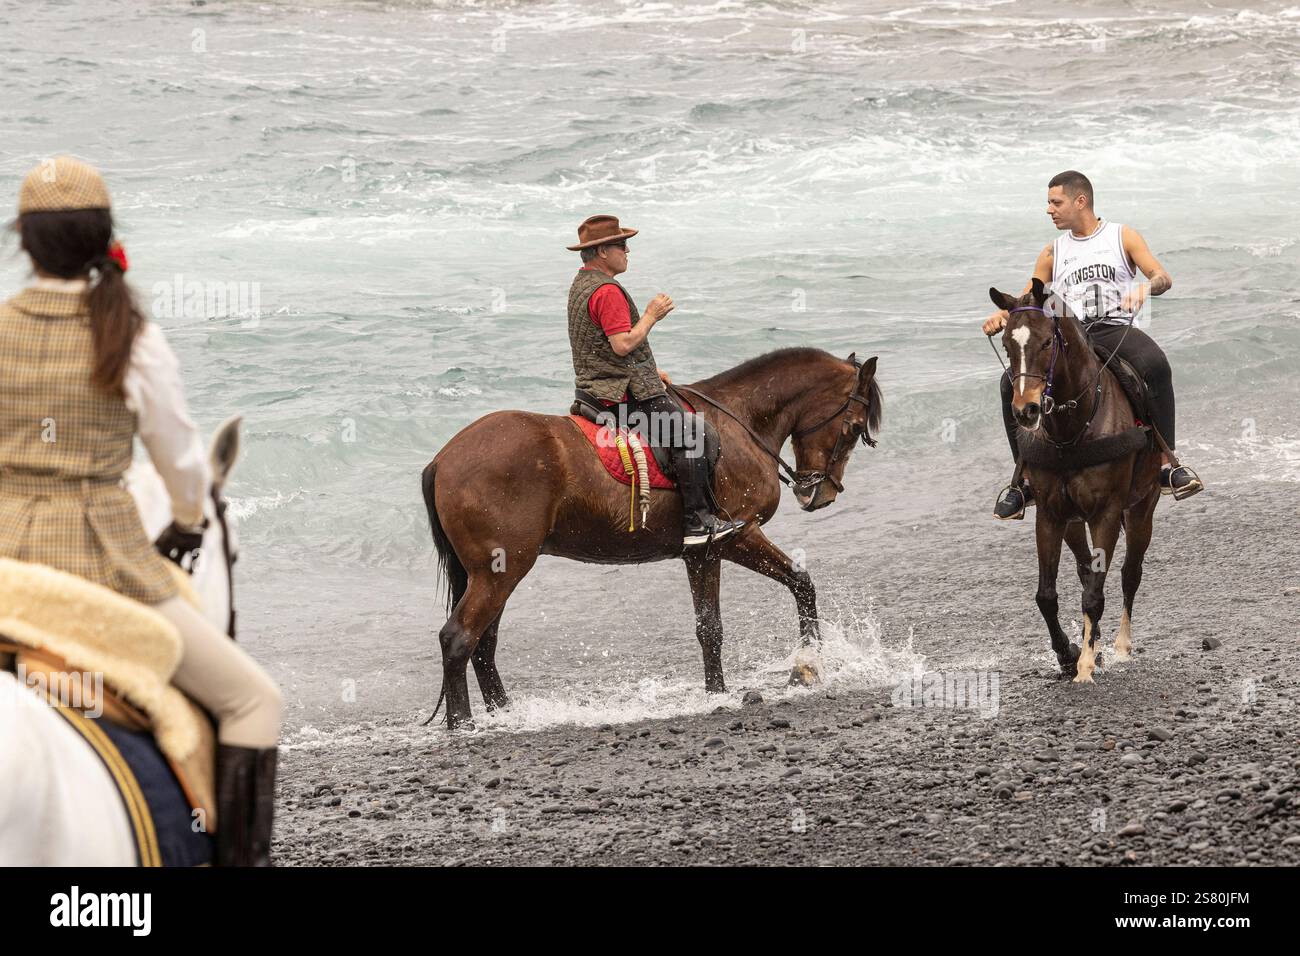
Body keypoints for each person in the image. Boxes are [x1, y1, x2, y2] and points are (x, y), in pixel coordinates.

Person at [0, 156, 282, 865]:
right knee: (254, 702)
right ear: (103, 240)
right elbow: (183, 466)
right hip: (103, 566)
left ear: (24, 242)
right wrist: (188, 520)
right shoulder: (132, 337)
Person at [982, 170, 1203, 519]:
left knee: (1156, 365)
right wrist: (1004, 316)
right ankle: (1023, 481)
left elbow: (1162, 276)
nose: (1049, 210)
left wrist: (1144, 289)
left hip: (1112, 330)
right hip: (1067, 338)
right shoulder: (1052, 252)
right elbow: (1029, 300)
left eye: (1056, 202)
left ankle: (1167, 463)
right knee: (1008, 382)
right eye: (1049, 203)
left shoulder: (1122, 236)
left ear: (1080, 201)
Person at [566, 214, 743, 546]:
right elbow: (621, 345)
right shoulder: (607, 291)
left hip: (594, 388)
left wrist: (648, 372)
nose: (627, 251)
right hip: (616, 398)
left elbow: (597, 344)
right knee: (693, 432)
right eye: (622, 245)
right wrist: (651, 316)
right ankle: (697, 522)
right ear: (603, 251)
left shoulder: (582, 283)